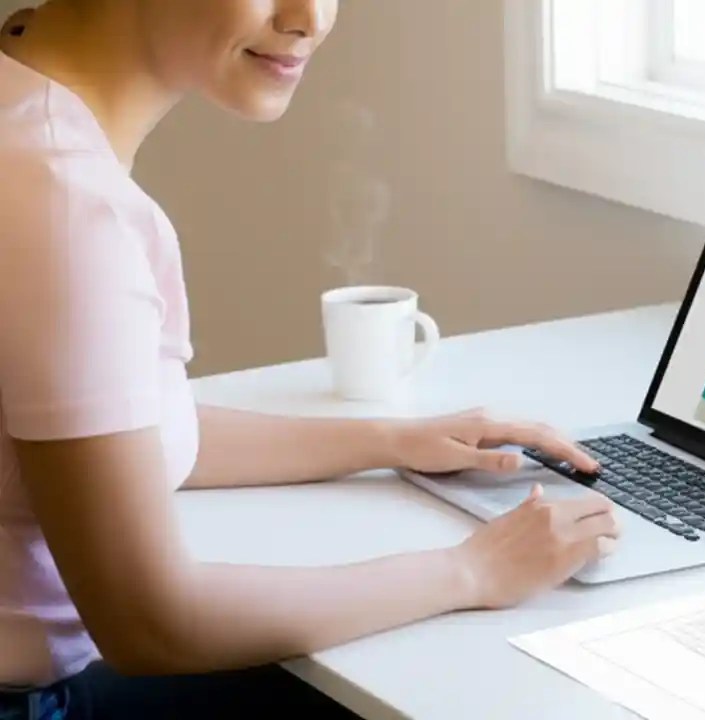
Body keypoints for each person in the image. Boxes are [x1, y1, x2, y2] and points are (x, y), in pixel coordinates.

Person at [0, 2, 619, 718]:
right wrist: (470, 570)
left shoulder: (22, 99)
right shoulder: (67, 207)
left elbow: (96, 443)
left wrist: (388, 441)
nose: (311, 18)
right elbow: (151, 623)